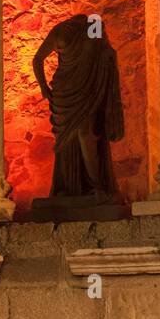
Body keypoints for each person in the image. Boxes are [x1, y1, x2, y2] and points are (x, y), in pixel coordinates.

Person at [32, 14, 124, 198]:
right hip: (63, 94)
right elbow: (37, 59)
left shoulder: (92, 24)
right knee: (65, 141)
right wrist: (43, 86)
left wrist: (109, 58)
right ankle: (67, 188)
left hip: (87, 91)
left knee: (85, 134)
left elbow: (103, 51)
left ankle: (98, 186)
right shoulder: (60, 31)